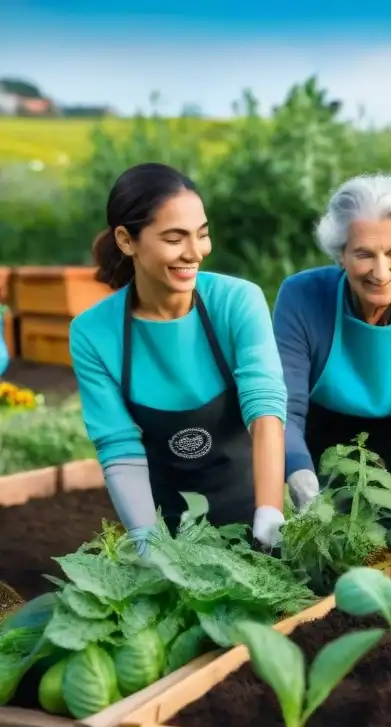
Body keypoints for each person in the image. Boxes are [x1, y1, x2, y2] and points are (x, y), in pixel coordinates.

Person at [69, 163, 288, 549]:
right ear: (126, 240)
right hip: (168, 528)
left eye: (202, 234)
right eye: (174, 238)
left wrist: (270, 512)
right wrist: (148, 545)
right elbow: (118, 447)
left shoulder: (238, 301)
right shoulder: (94, 333)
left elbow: (265, 409)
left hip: (253, 516)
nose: (195, 252)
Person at [275, 174, 391, 515]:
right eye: (364, 254)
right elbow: (286, 408)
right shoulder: (301, 296)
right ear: (341, 255)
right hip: (312, 456)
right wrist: (302, 485)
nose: (381, 271)